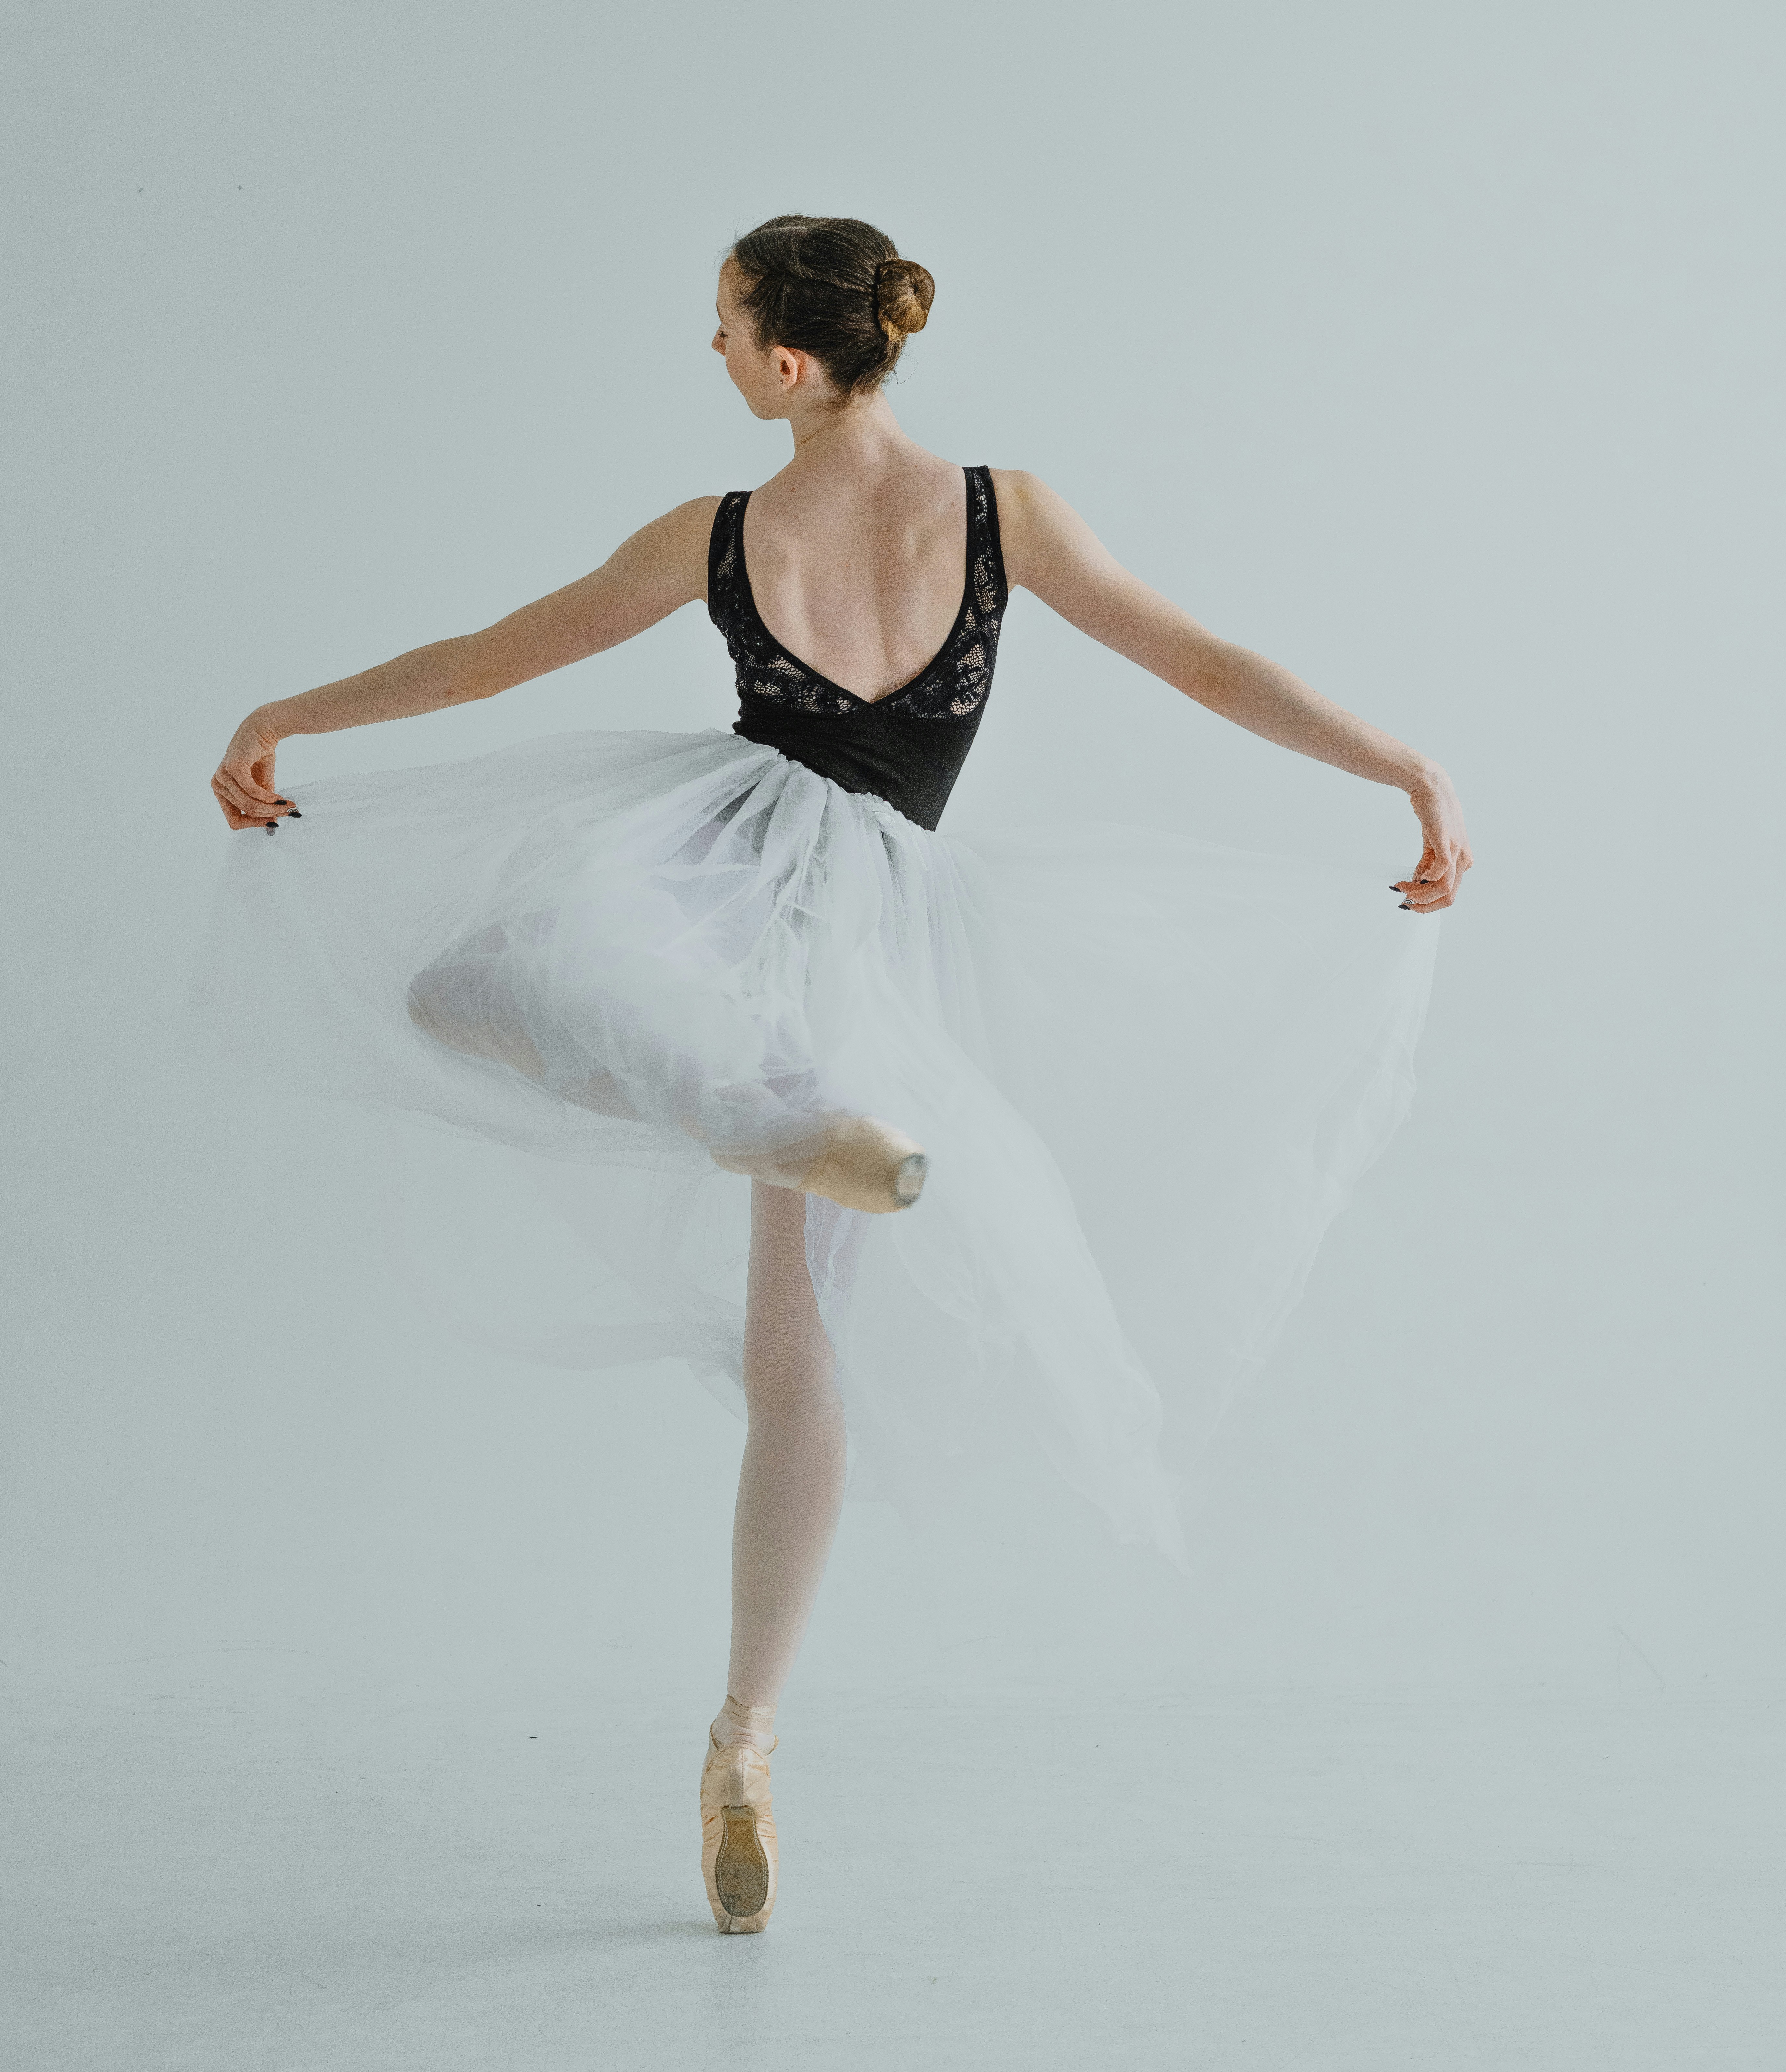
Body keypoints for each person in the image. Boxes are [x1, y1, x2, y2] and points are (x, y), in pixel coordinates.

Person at [202, 213, 1470, 1934]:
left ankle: (768, 1112)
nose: (712, 355)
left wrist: (292, 710)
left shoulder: (725, 530)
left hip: (717, 888)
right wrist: (1403, 764)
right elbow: (1201, 660)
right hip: (892, 943)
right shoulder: (1003, 513)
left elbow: (497, 654)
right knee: (804, 1378)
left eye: (724, 330)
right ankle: (747, 1733)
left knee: (467, 986)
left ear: (792, 363)